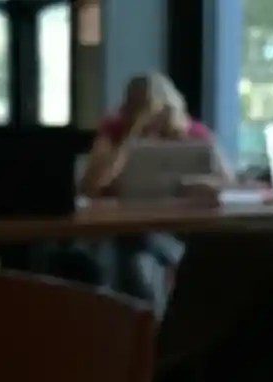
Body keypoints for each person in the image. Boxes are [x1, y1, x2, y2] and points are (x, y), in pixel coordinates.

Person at [81, 73, 233, 311]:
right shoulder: (115, 130)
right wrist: (129, 136)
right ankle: (153, 326)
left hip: (177, 226)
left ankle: (145, 329)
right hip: (124, 226)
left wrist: (203, 186)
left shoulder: (194, 134)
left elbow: (228, 183)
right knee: (135, 257)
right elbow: (90, 186)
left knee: (137, 259)